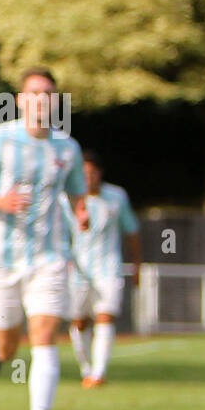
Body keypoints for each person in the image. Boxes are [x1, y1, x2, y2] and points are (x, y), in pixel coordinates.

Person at [0, 67, 88, 410]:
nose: (41, 100)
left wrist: (81, 213)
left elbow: (77, 193)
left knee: (44, 333)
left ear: (55, 101)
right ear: (21, 100)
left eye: (48, 94)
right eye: (34, 93)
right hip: (3, 260)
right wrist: (1, 201)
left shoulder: (67, 148)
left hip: (50, 258)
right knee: (9, 344)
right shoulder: (0, 140)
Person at [65, 151, 141, 386]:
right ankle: (86, 368)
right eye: (84, 173)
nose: (88, 177)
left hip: (108, 269)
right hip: (77, 271)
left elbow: (131, 231)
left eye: (92, 172)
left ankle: (99, 373)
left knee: (105, 317)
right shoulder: (66, 199)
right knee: (79, 322)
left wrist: (137, 265)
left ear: (100, 173)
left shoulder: (116, 197)